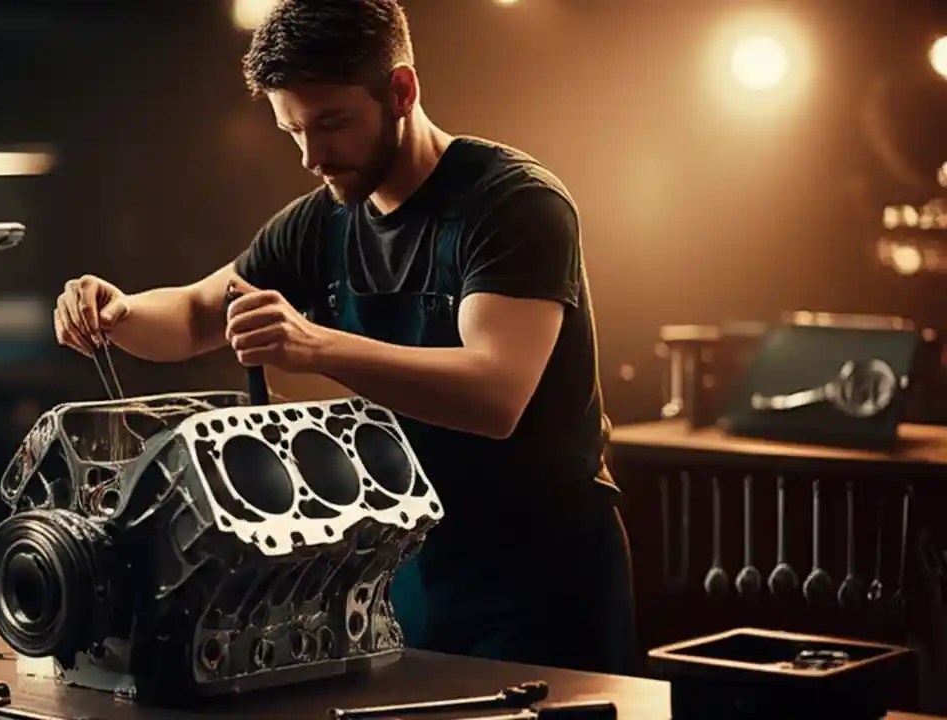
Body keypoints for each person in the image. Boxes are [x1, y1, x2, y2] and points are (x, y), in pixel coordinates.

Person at [54, 0, 635, 674]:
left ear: (401, 91)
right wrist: (118, 311)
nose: (311, 156)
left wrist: (314, 346)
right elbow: (191, 317)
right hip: (410, 569)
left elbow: (495, 393)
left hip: (541, 578)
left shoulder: (513, 205)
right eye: (292, 130)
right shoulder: (318, 224)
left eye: (331, 124)